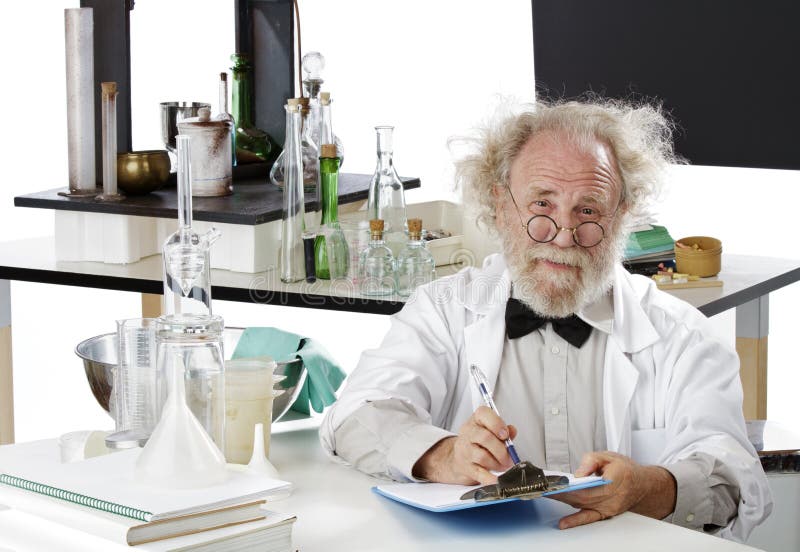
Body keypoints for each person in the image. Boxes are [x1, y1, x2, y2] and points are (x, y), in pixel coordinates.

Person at [319, 98, 771, 542]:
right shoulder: (444, 309)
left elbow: (734, 478)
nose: (563, 237)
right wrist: (443, 455)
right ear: (500, 205)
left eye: (589, 211)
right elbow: (353, 418)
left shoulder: (683, 335)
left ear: (623, 219)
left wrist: (649, 488)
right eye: (541, 206)